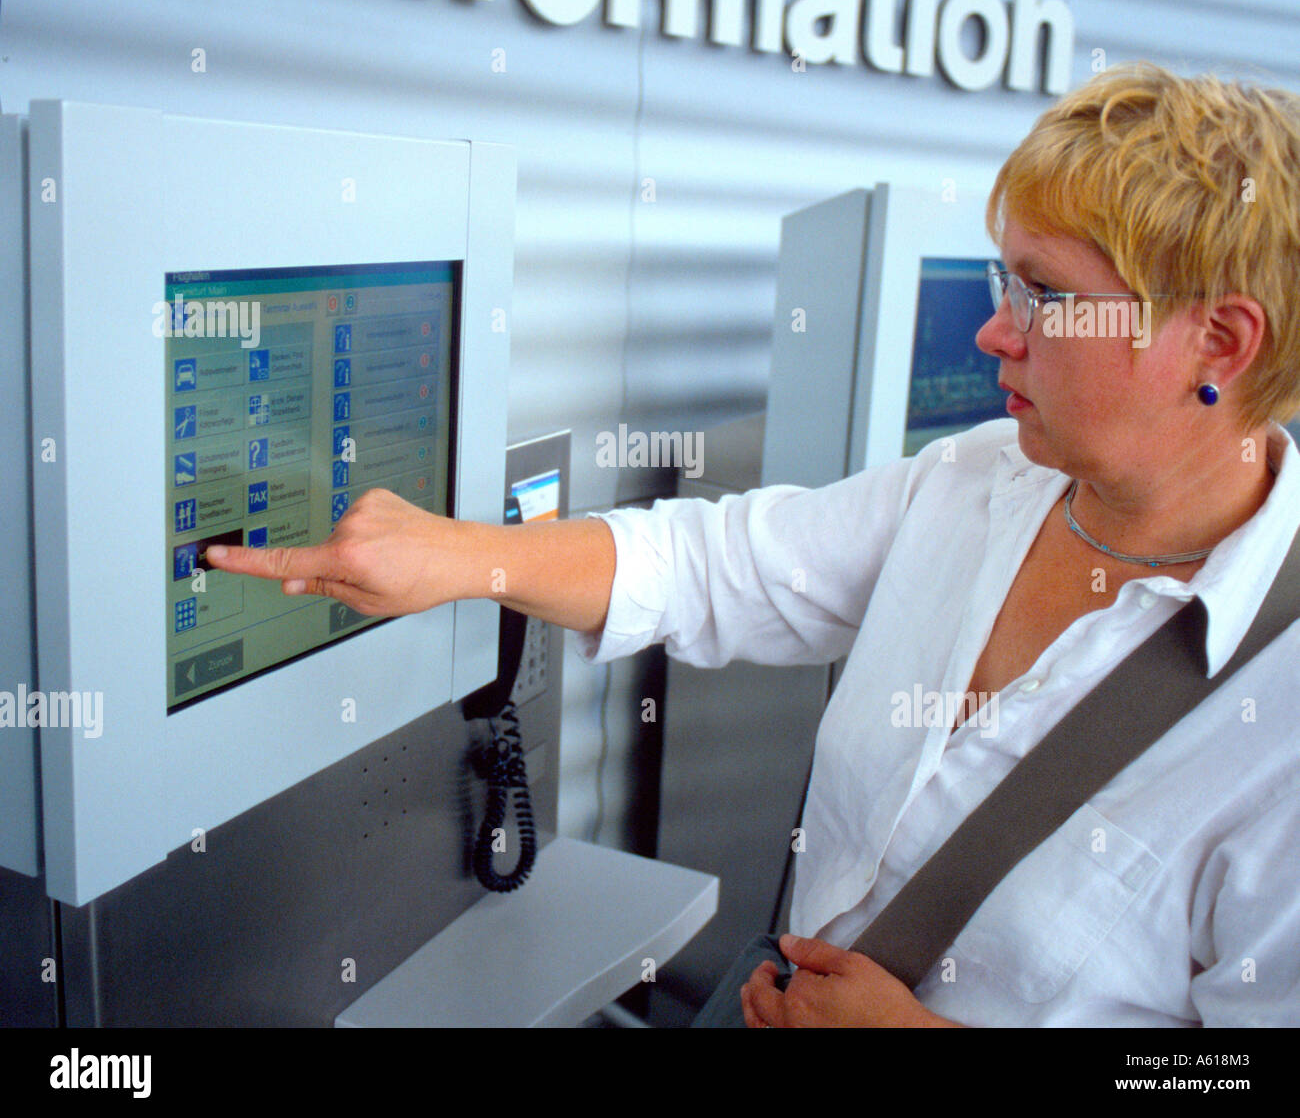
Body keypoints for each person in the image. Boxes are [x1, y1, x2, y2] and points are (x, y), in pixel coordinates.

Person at [207, 63, 1300, 1027]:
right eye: (1000, 280)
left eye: (1046, 295)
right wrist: (459, 556)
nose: (993, 330)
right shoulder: (983, 481)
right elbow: (719, 565)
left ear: (1218, 340)